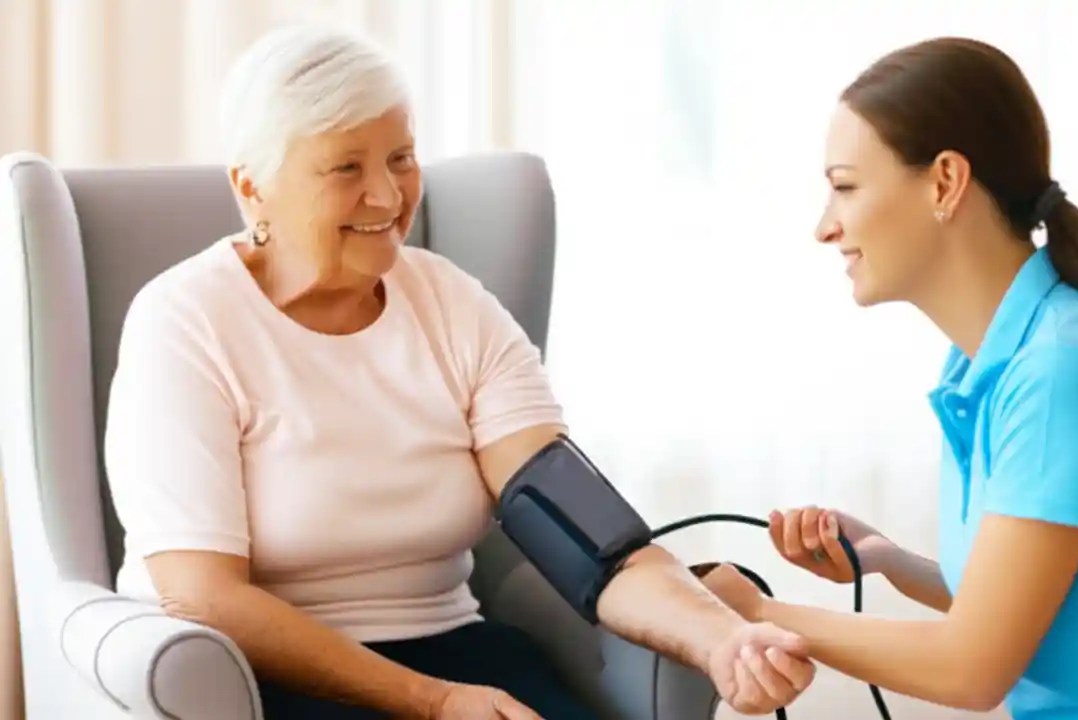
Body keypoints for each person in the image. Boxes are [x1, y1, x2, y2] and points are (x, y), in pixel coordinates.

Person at [103, 25, 814, 720]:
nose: (387, 197)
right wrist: (430, 702)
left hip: (459, 651)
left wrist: (723, 639)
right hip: (267, 672)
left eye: (402, 158)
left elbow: (589, 538)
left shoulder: (453, 305)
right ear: (252, 189)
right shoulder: (186, 321)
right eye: (346, 168)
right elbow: (203, 596)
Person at [700, 37, 1078, 718]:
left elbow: (971, 670)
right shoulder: (994, 366)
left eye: (845, 187)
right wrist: (888, 559)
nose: (825, 227)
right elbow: (1034, 603)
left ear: (945, 182)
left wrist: (756, 612)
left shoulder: (1064, 373)